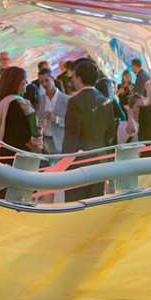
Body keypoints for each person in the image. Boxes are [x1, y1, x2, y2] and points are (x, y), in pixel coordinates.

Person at [62, 59, 115, 201]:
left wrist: (64, 163)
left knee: (75, 205)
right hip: (100, 160)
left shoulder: (74, 102)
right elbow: (110, 134)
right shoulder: (106, 101)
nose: (72, 80)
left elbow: (71, 136)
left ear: (79, 78)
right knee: (95, 203)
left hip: (78, 164)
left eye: (73, 77)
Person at [0, 66, 35, 152]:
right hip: (15, 155)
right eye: (24, 79)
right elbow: (23, 135)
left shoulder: (4, 101)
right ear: (16, 82)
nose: (26, 82)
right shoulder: (16, 104)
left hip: (4, 151)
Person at [33, 72, 67, 154]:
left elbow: (72, 123)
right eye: (41, 82)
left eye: (46, 80)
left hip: (61, 142)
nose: (44, 84)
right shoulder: (41, 100)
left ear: (53, 79)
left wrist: (57, 119)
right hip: (46, 141)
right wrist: (40, 122)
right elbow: (39, 118)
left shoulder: (67, 99)